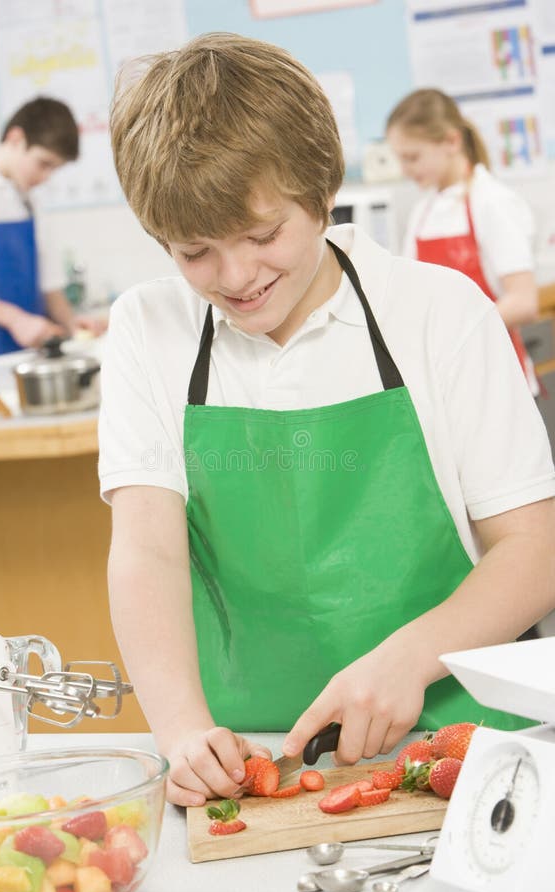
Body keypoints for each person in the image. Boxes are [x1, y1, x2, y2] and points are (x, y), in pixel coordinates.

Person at [100, 33, 555, 808]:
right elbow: (147, 550)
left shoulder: (441, 314)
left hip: (455, 752)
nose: (237, 276)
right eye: (195, 252)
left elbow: (535, 550)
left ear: (322, 188)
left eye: (263, 234)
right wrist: (182, 731)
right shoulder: (148, 327)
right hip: (248, 764)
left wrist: (409, 659)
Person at [386, 88, 539, 394]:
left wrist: (453, 335)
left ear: (451, 142)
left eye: (412, 157)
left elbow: (524, 302)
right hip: (447, 380)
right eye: (401, 159)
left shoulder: (491, 202)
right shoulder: (423, 212)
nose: (405, 170)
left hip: (499, 379)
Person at [0, 96, 106, 357]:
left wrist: (72, 325)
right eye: (44, 164)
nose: (46, 177)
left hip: (33, 352)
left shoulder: (31, 201)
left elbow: (50, 287)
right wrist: (15, 320)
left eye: (54, 170)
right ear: (15, 139)